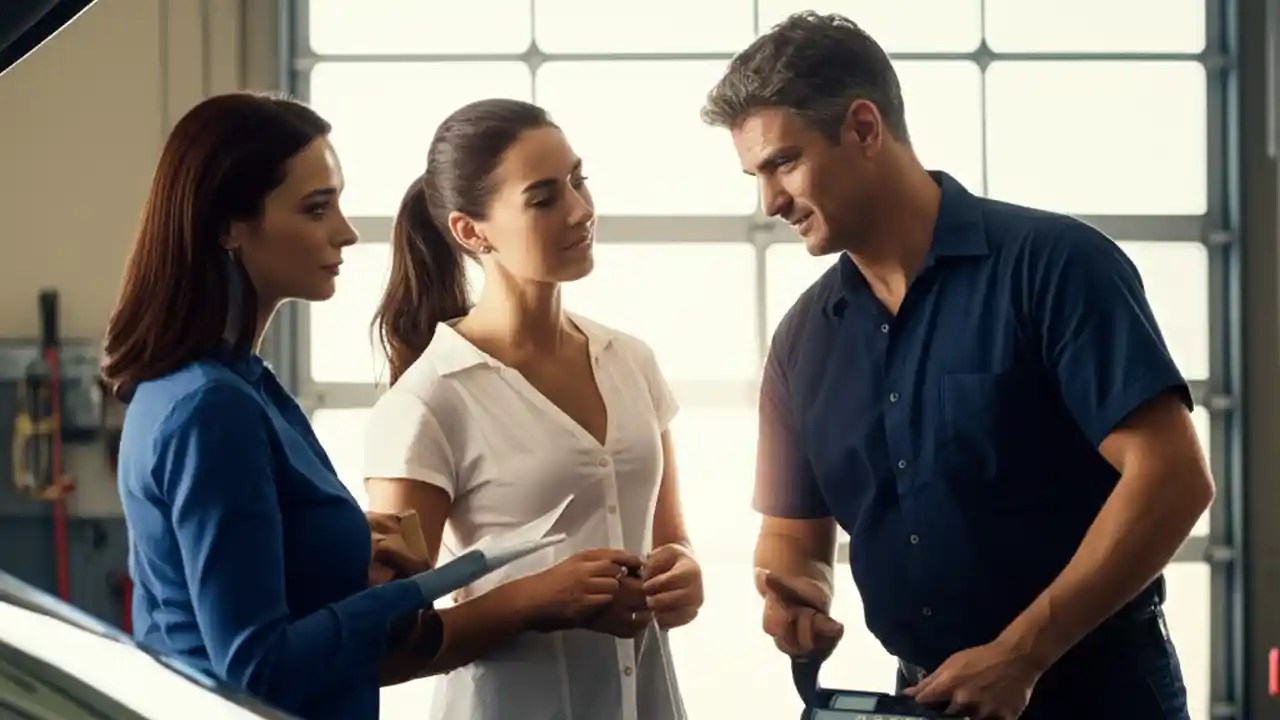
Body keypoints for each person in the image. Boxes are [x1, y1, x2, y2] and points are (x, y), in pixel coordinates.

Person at [701, 12, 1214, 720]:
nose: (770, 202)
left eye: (783, 163)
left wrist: (1022, 654)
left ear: (863, 128)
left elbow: (1173, 477)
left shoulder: (1056, 267)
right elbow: (793, 534)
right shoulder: (802, 341)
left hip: (1102, 692)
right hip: (926, 699)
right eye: (756, 174)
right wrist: (798, 589)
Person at [102, 92, 448, 720]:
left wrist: (353, 560)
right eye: (317, 209)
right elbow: (257, 667)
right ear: (228, 226)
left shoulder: (238, 384)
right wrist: (414, 594)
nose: (345, 232)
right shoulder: (211, 407)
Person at [362, 97, 703, 720]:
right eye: (544, 197)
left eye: (579, 180)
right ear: (471, 231)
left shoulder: (631, 361)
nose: (580, 209)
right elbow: (386, 643)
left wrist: (682, 573)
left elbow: (670, 539)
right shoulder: (429, 399)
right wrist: (535, 601)